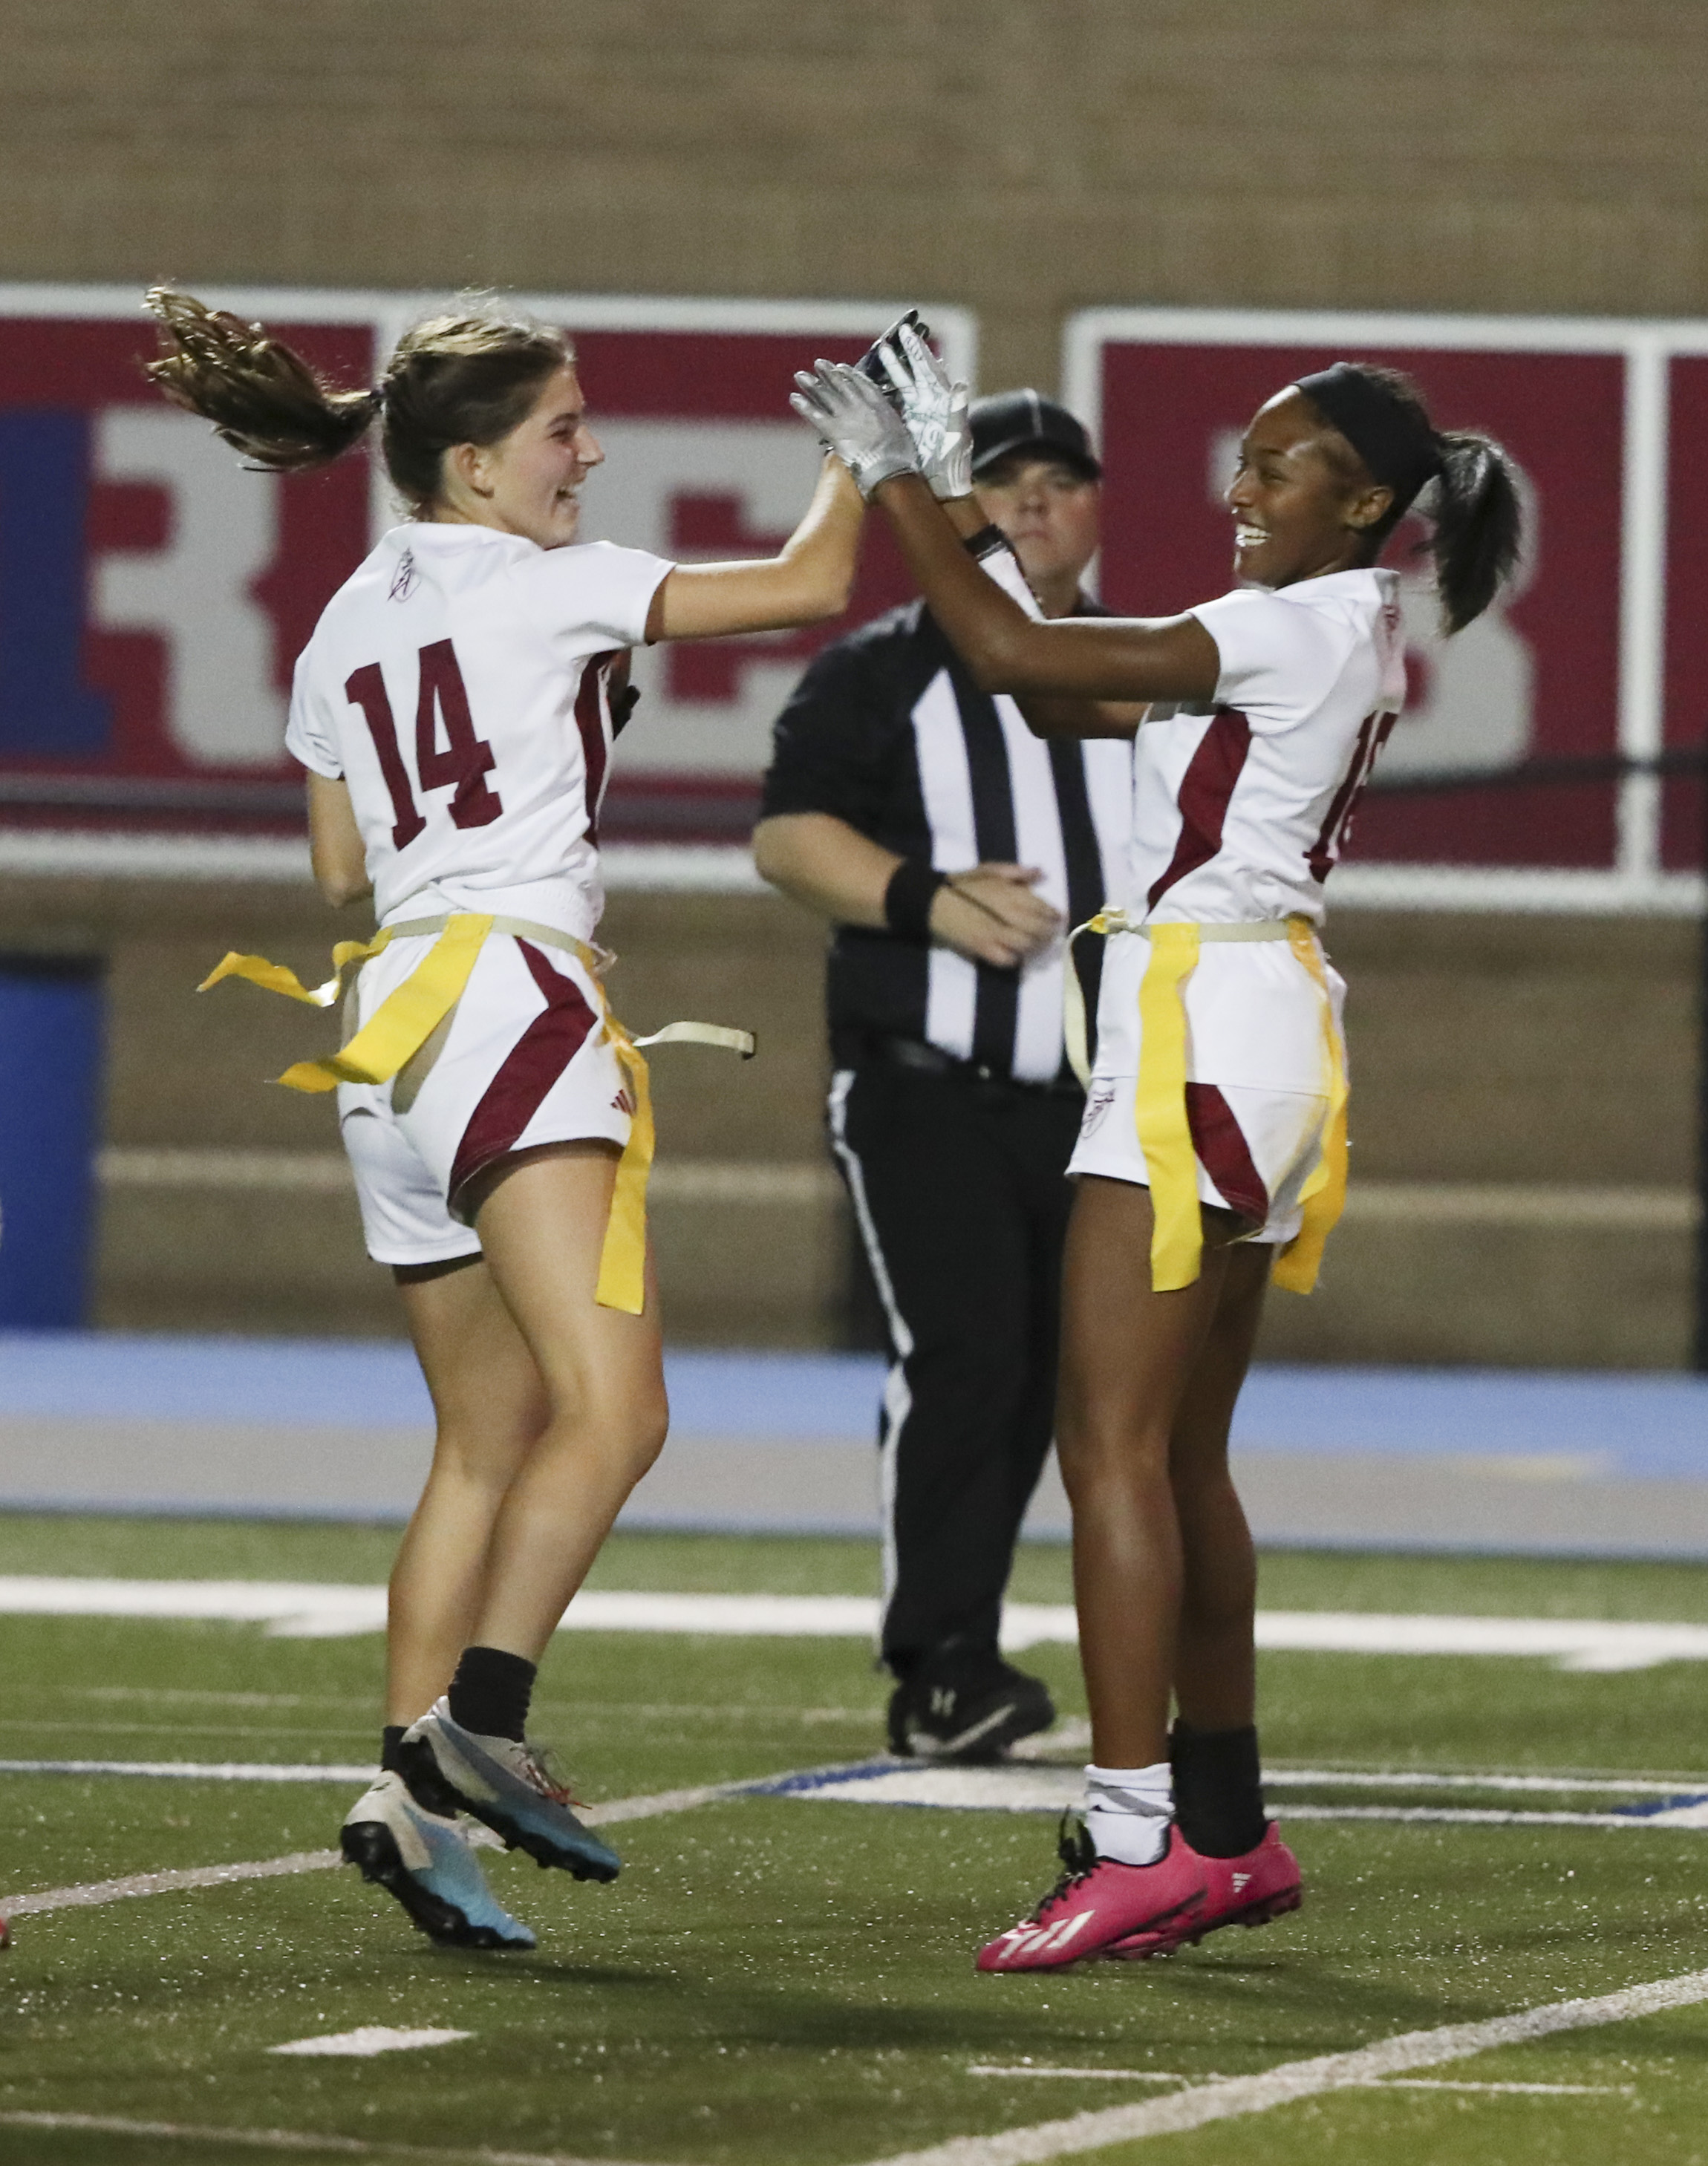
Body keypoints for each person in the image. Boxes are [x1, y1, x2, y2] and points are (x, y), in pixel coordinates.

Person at [793, 330, 1521, 1968]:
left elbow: (1007, 652)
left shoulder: (1286, 620)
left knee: (1106, 1443)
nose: (1240, 492)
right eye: (1244, 463)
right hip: (1258, 1023)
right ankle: (1230, 1820)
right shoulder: (1342, 615)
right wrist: (961, 518)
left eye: (1277, 470)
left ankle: (1132, 1835)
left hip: (1199, 1022)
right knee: (1180, 1454)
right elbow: (1058, 671)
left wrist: (906, 478)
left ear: (1368, 502)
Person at [147, 288, 864, 1950]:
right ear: (473, 466)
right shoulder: (554, 584)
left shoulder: (340, 615)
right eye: (562, 426)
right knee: (617, 1413)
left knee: (478, 1441)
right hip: (510, 1003)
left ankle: (401, 1794)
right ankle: (480, 1717)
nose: (589, 450)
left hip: (384, 1027)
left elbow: (339, 870)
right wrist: (864, 464)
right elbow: (816, 584)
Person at [753, 392, 1132, 1762]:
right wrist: (925, 897)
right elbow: (789, 836)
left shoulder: (1147, 664)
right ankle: (944, 1664)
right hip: (930, 1079)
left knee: (1092, 1390)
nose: (1032, 504)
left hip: (1106, 1098)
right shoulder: (878, 672)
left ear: (1099, 504)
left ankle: (1130, 1658)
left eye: (1060, 481)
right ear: (955, 507)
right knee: (972, 1356)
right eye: (1003, 481)